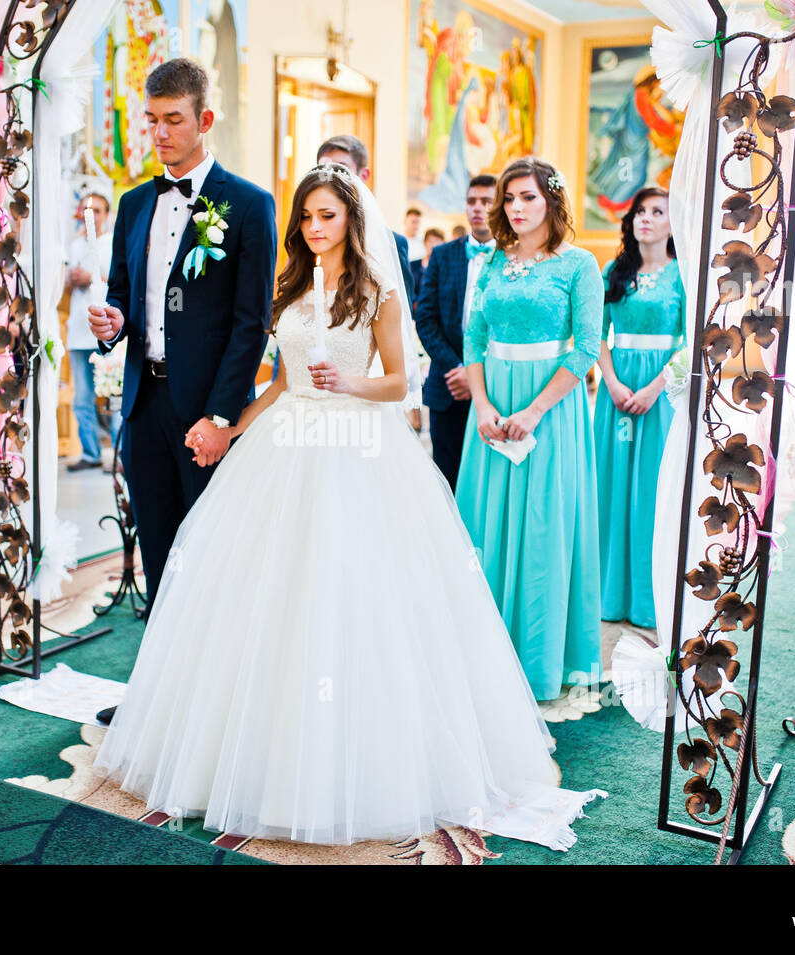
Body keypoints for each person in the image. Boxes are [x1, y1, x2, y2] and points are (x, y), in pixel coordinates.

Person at [93, 161, 605, 848]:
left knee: (356, 591)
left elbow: (398, 383)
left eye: (327, 215)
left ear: (351, 220)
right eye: (306, 216)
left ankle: (359, 756)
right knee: (263, 587)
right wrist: (235, 423)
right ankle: (251, 749)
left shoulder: (378, 294)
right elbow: (281, 378)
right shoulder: (293, 284)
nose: (314, 227)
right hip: (285, 438)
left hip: (358, 442)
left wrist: (351, 386)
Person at [87, 58, 277, 726]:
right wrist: (112, 322)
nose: (160, 133)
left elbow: (251, 323)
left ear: (205, 119)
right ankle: (161, 697)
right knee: (160, 548)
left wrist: (222, 415)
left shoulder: (249, 205)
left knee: (214, 555)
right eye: (153, 120)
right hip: (143, 405)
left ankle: (219, 701)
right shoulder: (136, 203)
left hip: (207, 414)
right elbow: (120, 291)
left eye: (173, 119)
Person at [454, 158, 603, 701]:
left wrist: (534, 411)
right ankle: (482, 655)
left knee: (542, 528)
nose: (516, 209)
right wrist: (483, 405)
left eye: (528, 198)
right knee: (486, 525)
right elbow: (473, 339)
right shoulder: (492, 260)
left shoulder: (580, 264)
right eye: (510, 199)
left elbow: (586, 346)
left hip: (550, 409)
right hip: (491, 411)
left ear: (551, 203)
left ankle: (539, 661)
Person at [594, 187, 684, 629]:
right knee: (612, 485)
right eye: (639, 212)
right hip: (615, 395)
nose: (645, 218)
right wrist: (611, 383)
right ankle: (609, 595)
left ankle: (649, 599)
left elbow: (691, 341)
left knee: (651, 491)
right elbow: (597, 335)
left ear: (673, 221)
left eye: (657, 211)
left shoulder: (682, 274)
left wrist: (653, 388)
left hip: (661, 394)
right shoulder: (614, 271)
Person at [413, 173, 495, 490]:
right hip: (447, 384)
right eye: (472, 201)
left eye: (486, 202)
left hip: (494, 384)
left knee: (485, 480)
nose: (477, 208)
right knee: (446, 477)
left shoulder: (512, 256)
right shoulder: (445, 254)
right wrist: (457, 368)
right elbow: (426, 319)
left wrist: (476, 372)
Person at [315, 136, 416, 309]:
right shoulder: (311, 237)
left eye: (340, 169)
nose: (330, 179)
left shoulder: (393, 244)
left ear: (364, 175)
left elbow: (402, 315)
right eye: (323, 170)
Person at [64, 192, 117, 471]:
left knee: (114, 392)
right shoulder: (74, 246)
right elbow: (66, 287)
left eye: (97, 210)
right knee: (82, 395)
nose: (92, 215)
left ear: (106, 215)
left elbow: (122, 282)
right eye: (87, 210)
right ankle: (90, 452)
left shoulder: (113, 243)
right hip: (78, 328)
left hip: (108, 328)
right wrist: (72, 280)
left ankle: (119, 453)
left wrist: (92, 277)